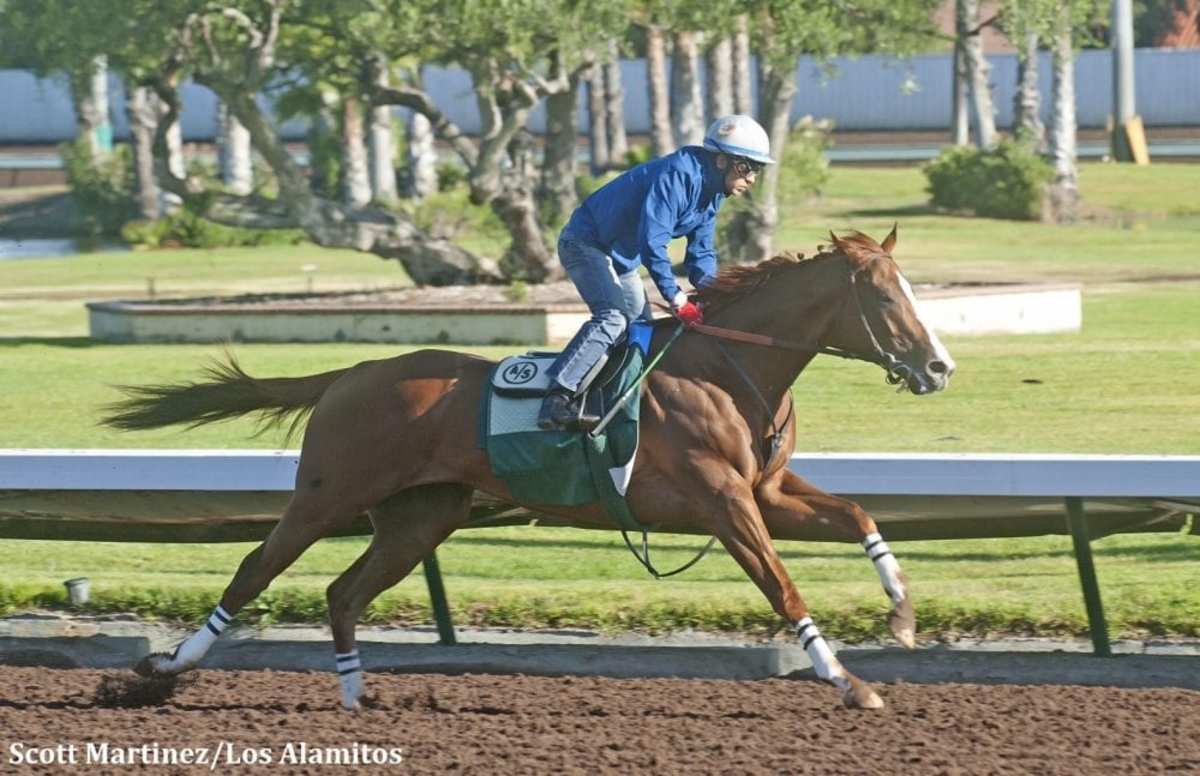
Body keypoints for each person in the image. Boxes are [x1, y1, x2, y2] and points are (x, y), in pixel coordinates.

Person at [537, 114, 775, 431]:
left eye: (756, 169)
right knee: (613, 318)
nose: (752, 178)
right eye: (747, 167)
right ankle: (556, 398)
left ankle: (611, 399)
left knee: (643, 330)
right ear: (721, 160)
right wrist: (676, 298)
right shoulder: (678, 174)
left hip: (620, 259)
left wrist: (715, 297)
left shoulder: (713, 193)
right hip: (585, 244)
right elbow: (653, 243)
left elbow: (701, 253)